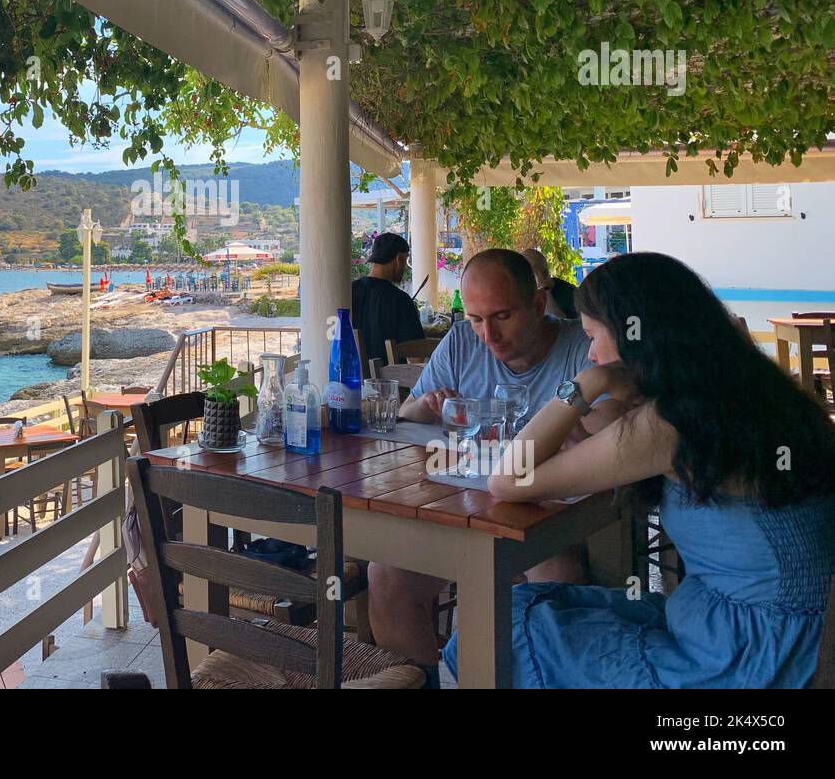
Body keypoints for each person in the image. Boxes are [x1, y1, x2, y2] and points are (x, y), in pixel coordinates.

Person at [442, 252, 835, 688]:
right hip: (785, 630)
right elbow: (587, 443)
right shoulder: (745, 390)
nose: (590, 353)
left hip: (745, 655)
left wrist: (589, 384)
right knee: (521, 604)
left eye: (593, 337)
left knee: (499, 626)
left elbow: (507, 480)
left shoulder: (668, 424)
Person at [369, 248, 626, 686]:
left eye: (502, 316)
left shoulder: (584, 350)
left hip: (547, 520)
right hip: (465, 512)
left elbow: (610, 434)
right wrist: (424, 409)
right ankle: (432, 683)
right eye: (475, 318)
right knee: (386, 573)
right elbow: (409, 412)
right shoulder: (463, 341)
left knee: (550, 580)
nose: (488, 334)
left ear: (539, 304)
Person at [350, 232, 424, 370]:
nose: (404, 268)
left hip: (352, 381)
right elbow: (416, 358)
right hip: (390, 386)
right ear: (398, 259)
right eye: (406, 260)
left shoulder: (349, 291)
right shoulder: (400, 300)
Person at [521, 247, 578, 320]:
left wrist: (544, 288)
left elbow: (559, 326)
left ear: (545, 273)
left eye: (529, 272)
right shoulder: (523, 294)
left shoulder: (570, 293)